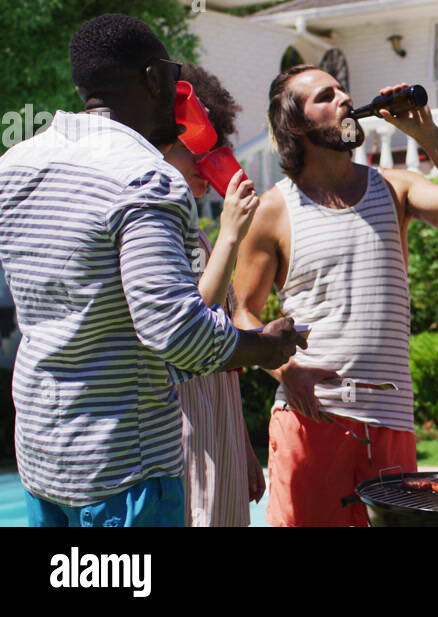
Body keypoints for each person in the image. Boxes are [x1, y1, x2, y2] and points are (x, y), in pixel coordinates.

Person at [0, 14, 302, 527]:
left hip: (42, 456)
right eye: (174, 77)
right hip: (125, 467)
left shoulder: (15, 164)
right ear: (153, 78)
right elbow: (174, 332)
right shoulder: (146, 178)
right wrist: (265, 348)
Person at [232, 65, 438, 526]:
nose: (344, 98)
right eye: (325, 96)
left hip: (391, 418)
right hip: (312, 417)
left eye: (341, 89)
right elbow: (241, 312)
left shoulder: (395, 186)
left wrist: (429, 135)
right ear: (297, 124)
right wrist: (286, 372)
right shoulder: (274, 208)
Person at [160, 63, 264, 526]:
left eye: (214, 149)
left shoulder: (198, 235)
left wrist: (242, 444)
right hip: (181, 437)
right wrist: (231, 236)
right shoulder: (156, 231)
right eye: (196, 150)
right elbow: (189, 329)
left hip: (218, 431)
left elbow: (221, 349)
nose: (208, 164)